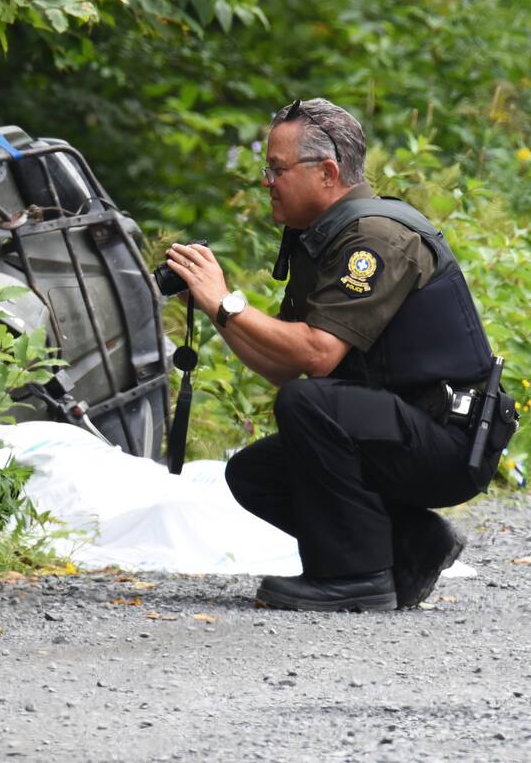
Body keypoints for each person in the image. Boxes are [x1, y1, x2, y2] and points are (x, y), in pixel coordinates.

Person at [164, 97, 509, 612]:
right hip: (403, 428)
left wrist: (227, 300)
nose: (267, 181)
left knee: (309, 403)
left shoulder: (374, 238)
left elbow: (319, 354)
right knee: (255, 474)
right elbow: (285, 364)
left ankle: (356, 579)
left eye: (276, 169)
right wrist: (216, 309)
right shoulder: (323, 237)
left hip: (450, 441)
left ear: (327, 172)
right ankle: (411, 545)